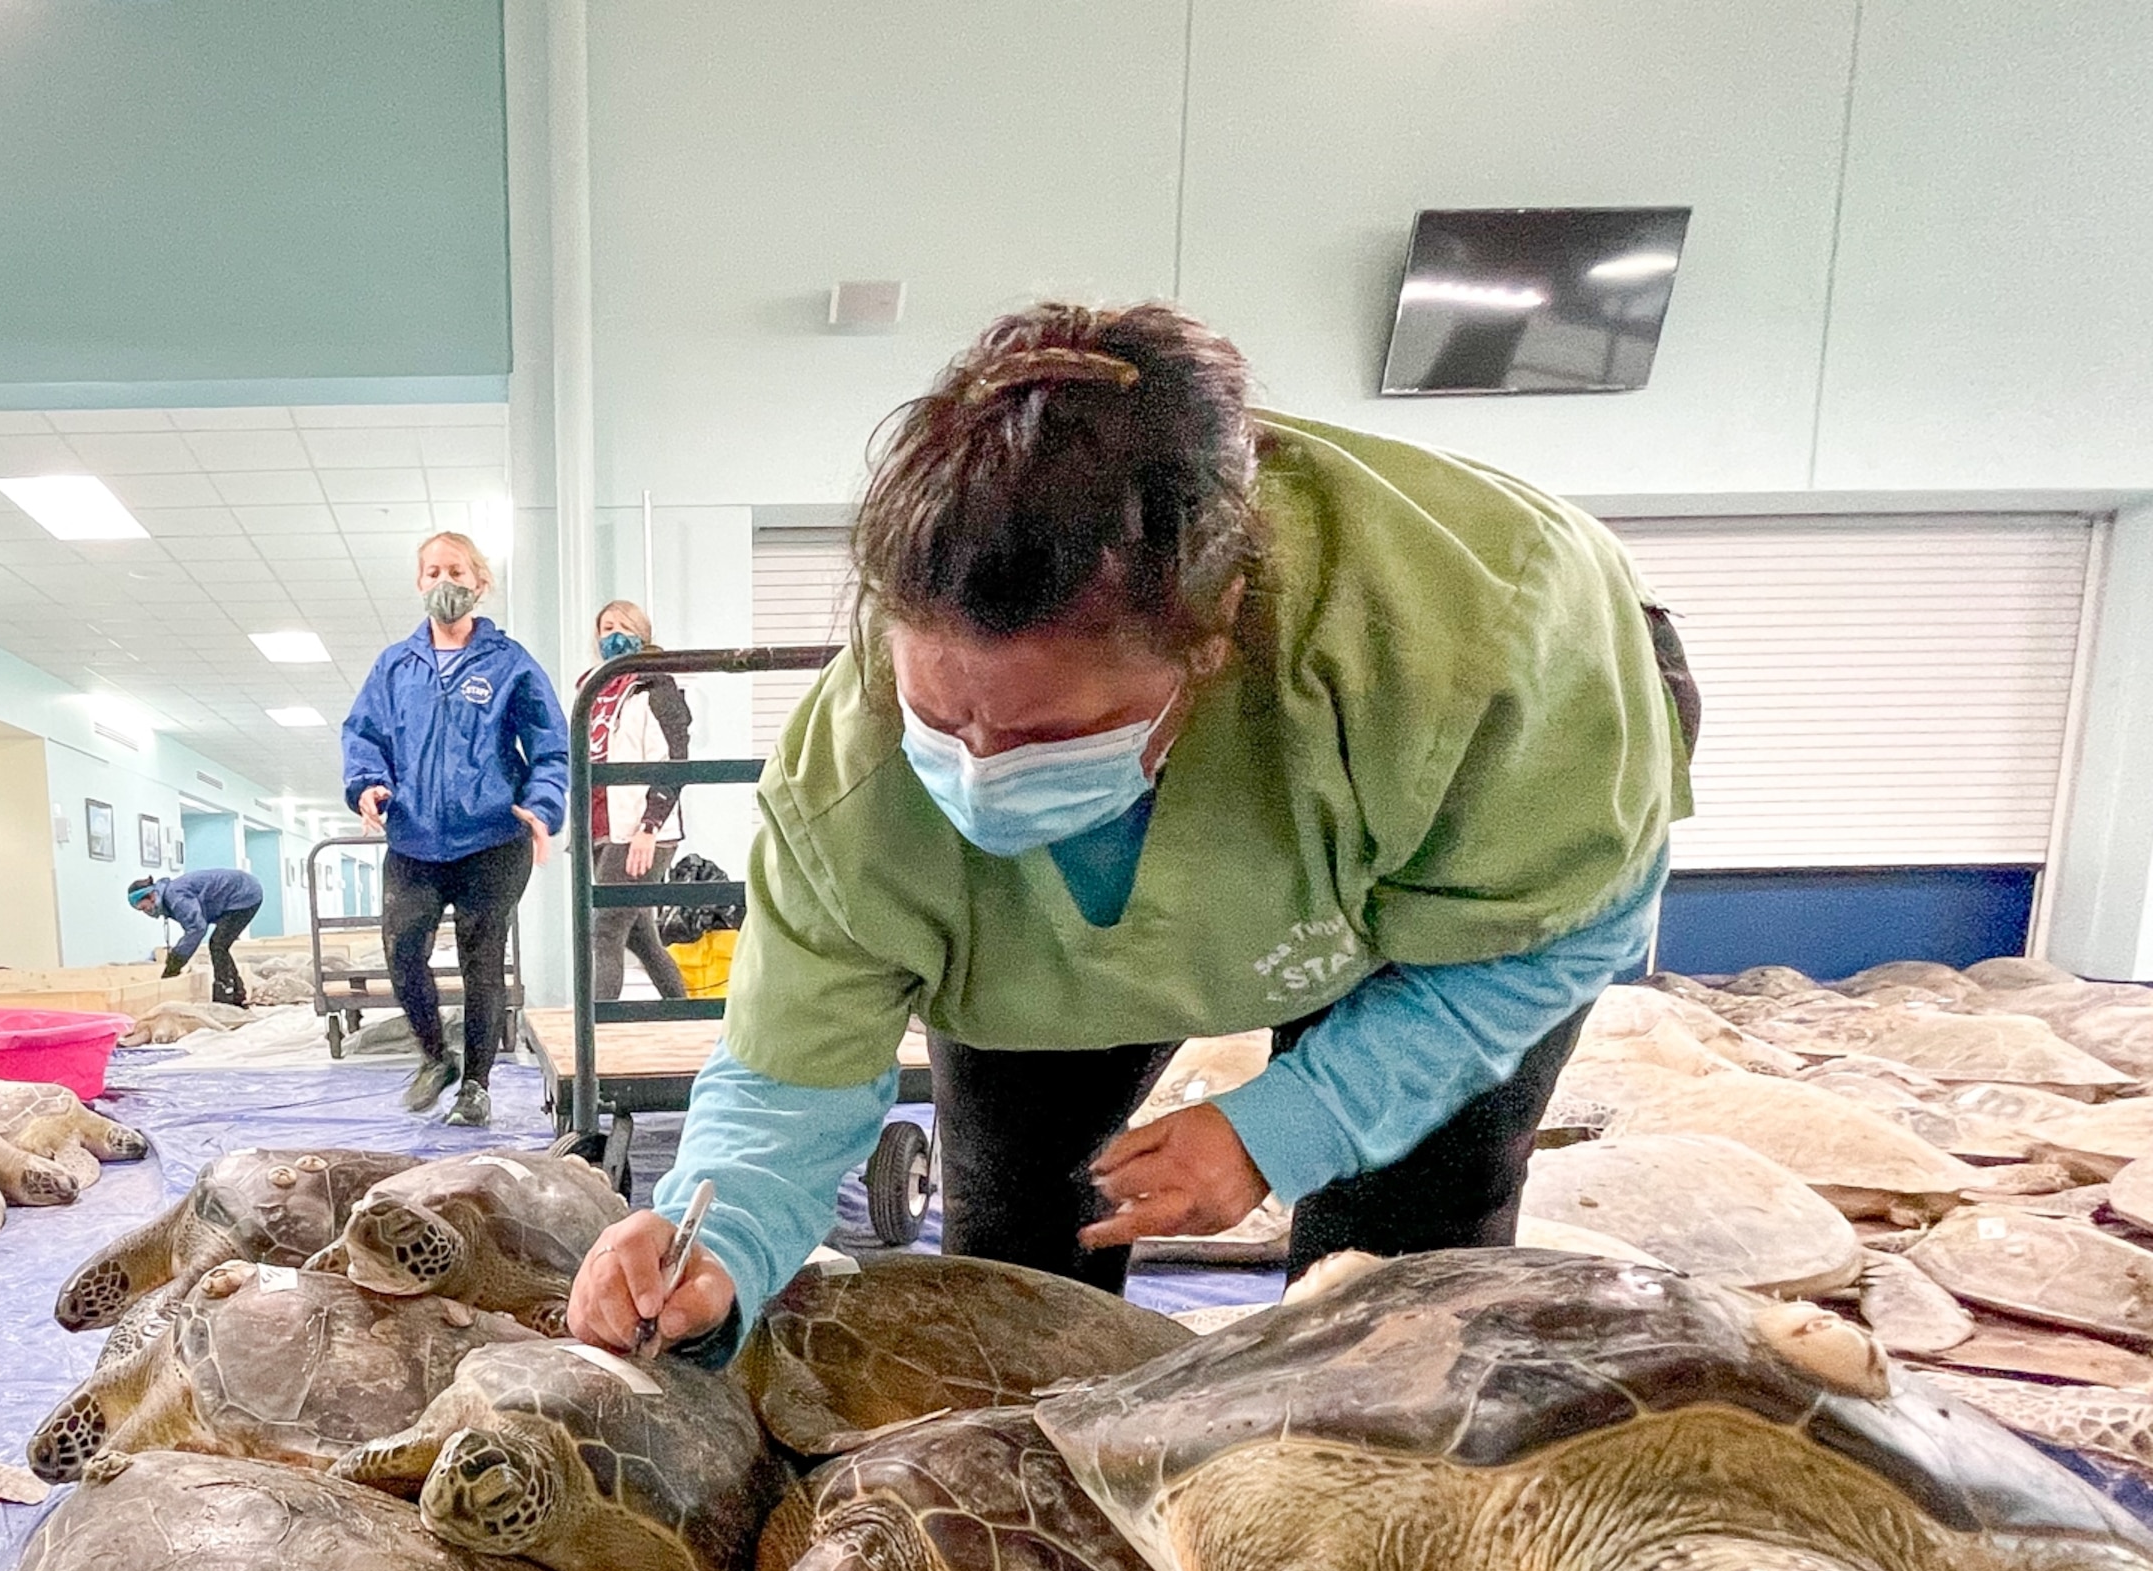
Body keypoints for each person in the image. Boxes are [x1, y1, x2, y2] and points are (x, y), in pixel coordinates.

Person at [568, 299, 1696, 1358]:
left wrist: (1289, 1124)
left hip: (1441, 858)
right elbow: (789, 1078)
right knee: (1015, 1241)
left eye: (1046, 732)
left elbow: (1565, 931)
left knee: (1391, 1264)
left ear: (1211, 641)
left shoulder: (1476, 654)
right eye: (938, 712)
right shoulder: (851, 790)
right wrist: (714, 1240)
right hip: (1098, 916)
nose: (979, 767)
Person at [341, 530, 571, 1127]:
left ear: (480, 583)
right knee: (402, 949)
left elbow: (550, 746)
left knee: (481, 959)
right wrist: (367, 784)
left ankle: (476, 1083)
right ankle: (435, 1056)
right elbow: (364, 735)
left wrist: (542, 808)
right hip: (415, 838)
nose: (446, 583)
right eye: (434, 572)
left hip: (493, 839)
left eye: (458, 572)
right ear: (420, 583)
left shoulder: (509, 664)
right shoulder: (395, 666)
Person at [584, 600, 692, 1004]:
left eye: (623, 626)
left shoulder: (657, 687)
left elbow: (673, 759)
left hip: (640, 830)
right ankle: (686, 1013)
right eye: (606, 626)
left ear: (642, 633)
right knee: (641, 937)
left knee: (607, 929)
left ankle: (598, 1033)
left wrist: (649, 827)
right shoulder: (592, 687)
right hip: (601, 825)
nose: (613, 634)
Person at [128, 866, 262, 1006]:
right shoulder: (169, 896)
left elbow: (197, 928)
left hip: (245, 894)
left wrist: (175, 962)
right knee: (220, 944)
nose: (147, 912)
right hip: (243, 891)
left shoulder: (175, 897)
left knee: (218, 945)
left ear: (151, 896)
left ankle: (226, 997)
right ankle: (237, 993)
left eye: (144, 908)